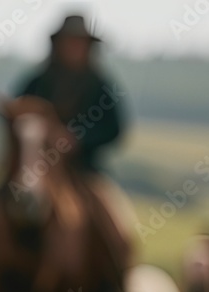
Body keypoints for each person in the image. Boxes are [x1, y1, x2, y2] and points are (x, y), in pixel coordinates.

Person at [16, 14, 126, 173]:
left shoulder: (99, 87)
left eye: (80, 42)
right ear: (58, 45)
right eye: (69, 41)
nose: (74, 48)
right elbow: (17, 113)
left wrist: (78, 140)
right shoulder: (39, 83)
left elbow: (113, 129)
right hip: (35, 165)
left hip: (84, 168)